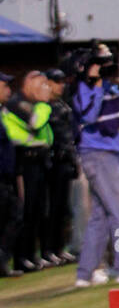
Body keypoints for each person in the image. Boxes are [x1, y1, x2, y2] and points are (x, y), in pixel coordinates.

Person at [73, 44, 119, 287]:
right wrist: (96, 85)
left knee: (100, 216)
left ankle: (84, 274)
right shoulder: (83, 89)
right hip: (99, 153)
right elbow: (89, 116)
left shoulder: (111, 86)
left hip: (108, 153)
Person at [2, 70, 53, 273]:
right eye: (42, 86)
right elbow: (36, 123)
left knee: (39, 210)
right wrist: (43, 105)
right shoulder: (18, 104)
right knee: (25, 211)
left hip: (38, 161)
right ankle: (21, 257)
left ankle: (32, 255)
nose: (46, 90)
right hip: (24, 162)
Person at [45, 68, 78, 264]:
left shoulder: (61, 104)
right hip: (53, 162)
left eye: (62, 81)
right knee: (52, 207)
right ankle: (49, 249)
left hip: (66, 160)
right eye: (57, 81)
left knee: (63, 208)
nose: (61, 85)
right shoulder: (45, 106)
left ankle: (58, 247)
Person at [0, 71, 23, 277]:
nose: (8, 90)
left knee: (13, 214)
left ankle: (2, 261)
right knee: (14, 214)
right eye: (4, 86)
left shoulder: (3, 112)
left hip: (6, 176)